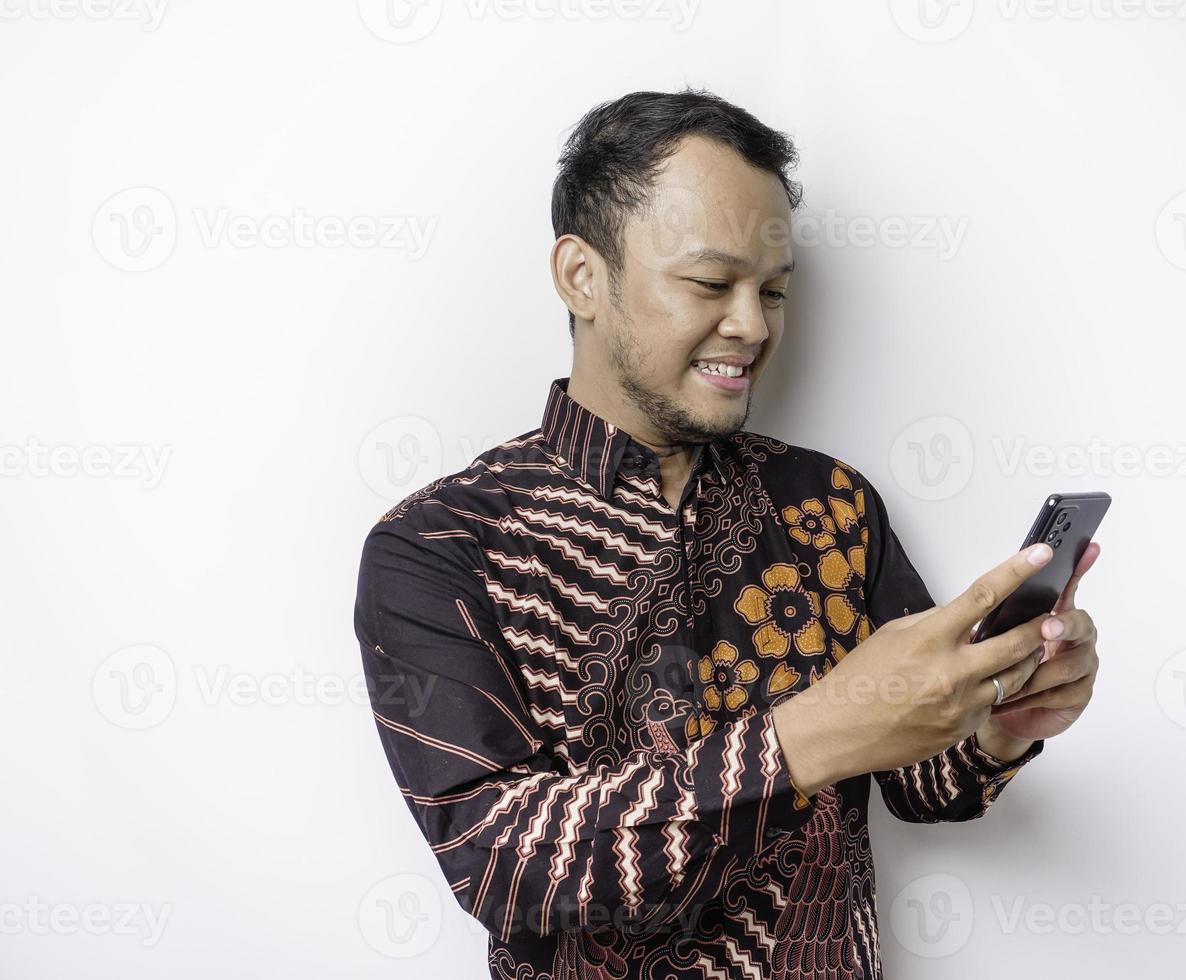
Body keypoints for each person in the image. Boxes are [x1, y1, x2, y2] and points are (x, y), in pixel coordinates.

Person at [353, 86, 1101, 979]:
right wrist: (821, 733)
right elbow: (504, 864)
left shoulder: (830, 502)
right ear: (581, 275)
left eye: (772, 290)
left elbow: (922, 784)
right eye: (712, 283)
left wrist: (1001, 718)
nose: (752, 326)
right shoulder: (438, 549)